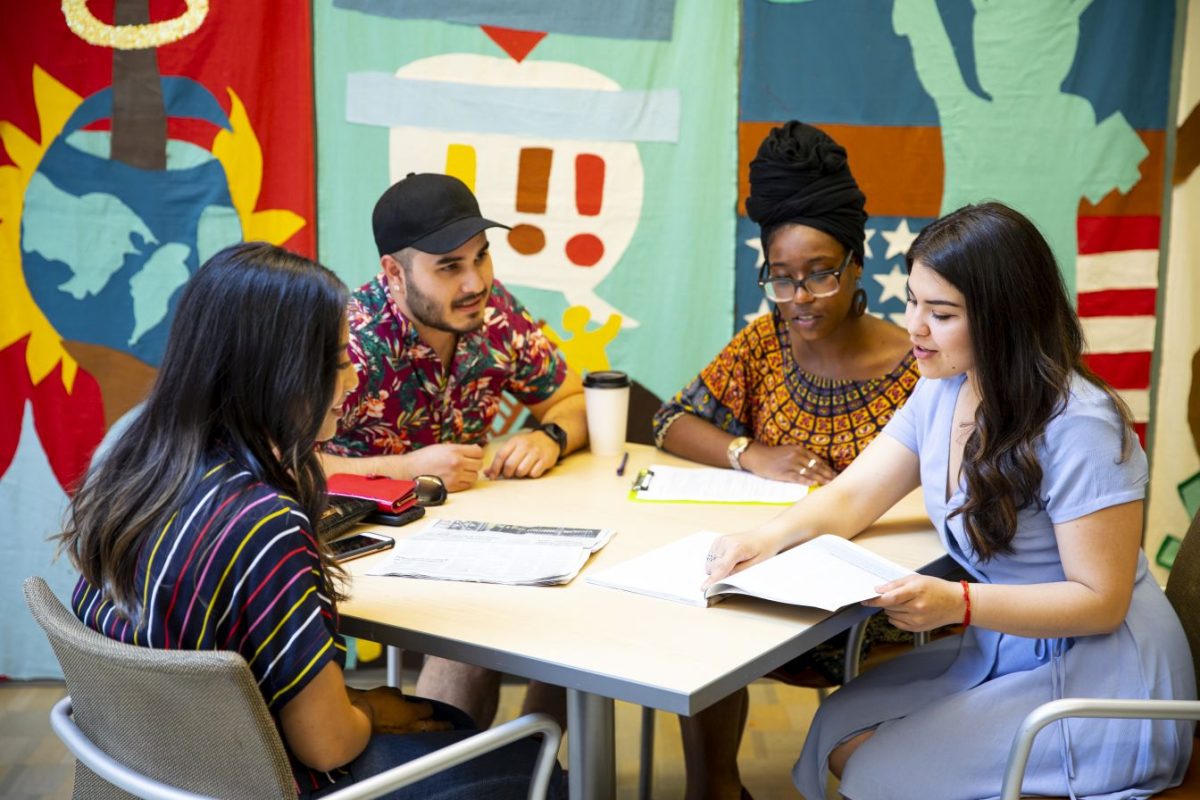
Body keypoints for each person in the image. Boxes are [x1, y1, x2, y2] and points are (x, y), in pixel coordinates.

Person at [705, 203, 1196, 800]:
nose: (914, 327)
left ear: (1004, 319)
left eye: (940, 313)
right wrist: (764, 539)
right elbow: (856, 493)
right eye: (912, 301)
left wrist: (958, 603)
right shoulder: (943, 385)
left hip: (1103, 673)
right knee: (837, 733)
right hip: (1009, 644)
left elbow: (1100, 603)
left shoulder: (1081, 425)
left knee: (872, 768)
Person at [56, 243, 559, 799]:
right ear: (279, 372)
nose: (350, 382)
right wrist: (366, 705)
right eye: (340, 362)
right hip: (263, 782)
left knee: (440, 719)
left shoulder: (134, 466)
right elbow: (329, 745)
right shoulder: (265, 523)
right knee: (534, 758)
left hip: (161, 766)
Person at [651, 121, 919, 800]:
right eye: (783, 277)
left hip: (877, 609)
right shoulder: (764, 345)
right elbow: (670, 420)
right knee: (701, 603)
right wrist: (750, 453)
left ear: (856, 265)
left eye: (821, 274)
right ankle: (714, 788)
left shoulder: (919, 368)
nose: (800, 298)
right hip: (766, 595)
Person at [319, 172, 584, 732]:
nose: (475, 283)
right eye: (449, 267)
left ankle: (532, 766)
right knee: (478, 630)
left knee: (573, 604)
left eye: (482, 258)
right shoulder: (349, 339)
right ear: (394, 272)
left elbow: (570, 398)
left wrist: (548, 436)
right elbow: (280, 463)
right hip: (365, 558)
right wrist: (405, 469)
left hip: (469, 545)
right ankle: (465, 773)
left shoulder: (496, 317)